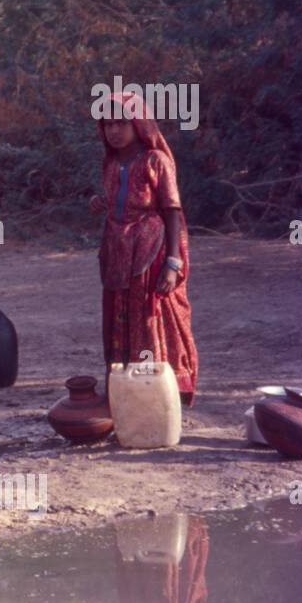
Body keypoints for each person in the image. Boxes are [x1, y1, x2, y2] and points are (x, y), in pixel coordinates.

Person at [90, 91, 198, 404]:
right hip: (118, 250)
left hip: (150, 251)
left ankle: (158, 390)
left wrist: (172, 262)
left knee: (150, 315)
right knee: (120, 313)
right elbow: (117, 201)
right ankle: (124, 387)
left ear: (139, 122)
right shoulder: (111, 163)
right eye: (107, 124)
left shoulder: (156, 161)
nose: (114, 130)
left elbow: (172, 210)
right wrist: (99, 203)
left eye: (121, 122)